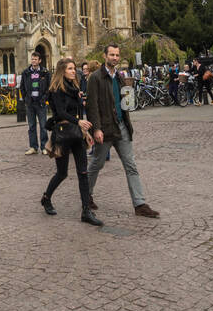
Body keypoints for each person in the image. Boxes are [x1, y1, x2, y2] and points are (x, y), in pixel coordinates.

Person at [85, 43, 159, 219]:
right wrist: (96, 128)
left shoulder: (119, 76)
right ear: (105, 56)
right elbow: (92, 106)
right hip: (105, 129)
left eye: (117, 55)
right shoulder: (95, 78)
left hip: (121, 127)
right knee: (97, 163)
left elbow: (125, 104)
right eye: (112, 55)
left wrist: (129, 98)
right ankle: (86, 195)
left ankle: (139, 203)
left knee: (131, 165)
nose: (115, 58)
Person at [40, 58, 101, 226]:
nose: (74, 71)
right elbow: (59, 112)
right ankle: (46, 198)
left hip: (77, 134)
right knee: (62, 173)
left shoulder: (75, 88)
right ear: (62, 71)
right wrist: (78, 123)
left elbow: (78, 113)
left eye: (74, 68)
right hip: (63, 134)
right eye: (70, 68)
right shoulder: (56, 90)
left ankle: (86, 211)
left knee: (83, 173)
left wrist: (85, 130)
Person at [19, 52, 50, 156]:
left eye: (35, 59)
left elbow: (49, 88)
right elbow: (22, 87)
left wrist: (44, 99)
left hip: (41, 103)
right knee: (31, 126)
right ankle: (33, 147)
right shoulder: (26, 72)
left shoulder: (45, 72)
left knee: (43, 126)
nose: (33, 61)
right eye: (32, 59)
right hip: (30, 104)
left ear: (39, 60)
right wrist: (26, 99)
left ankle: (44, 147)